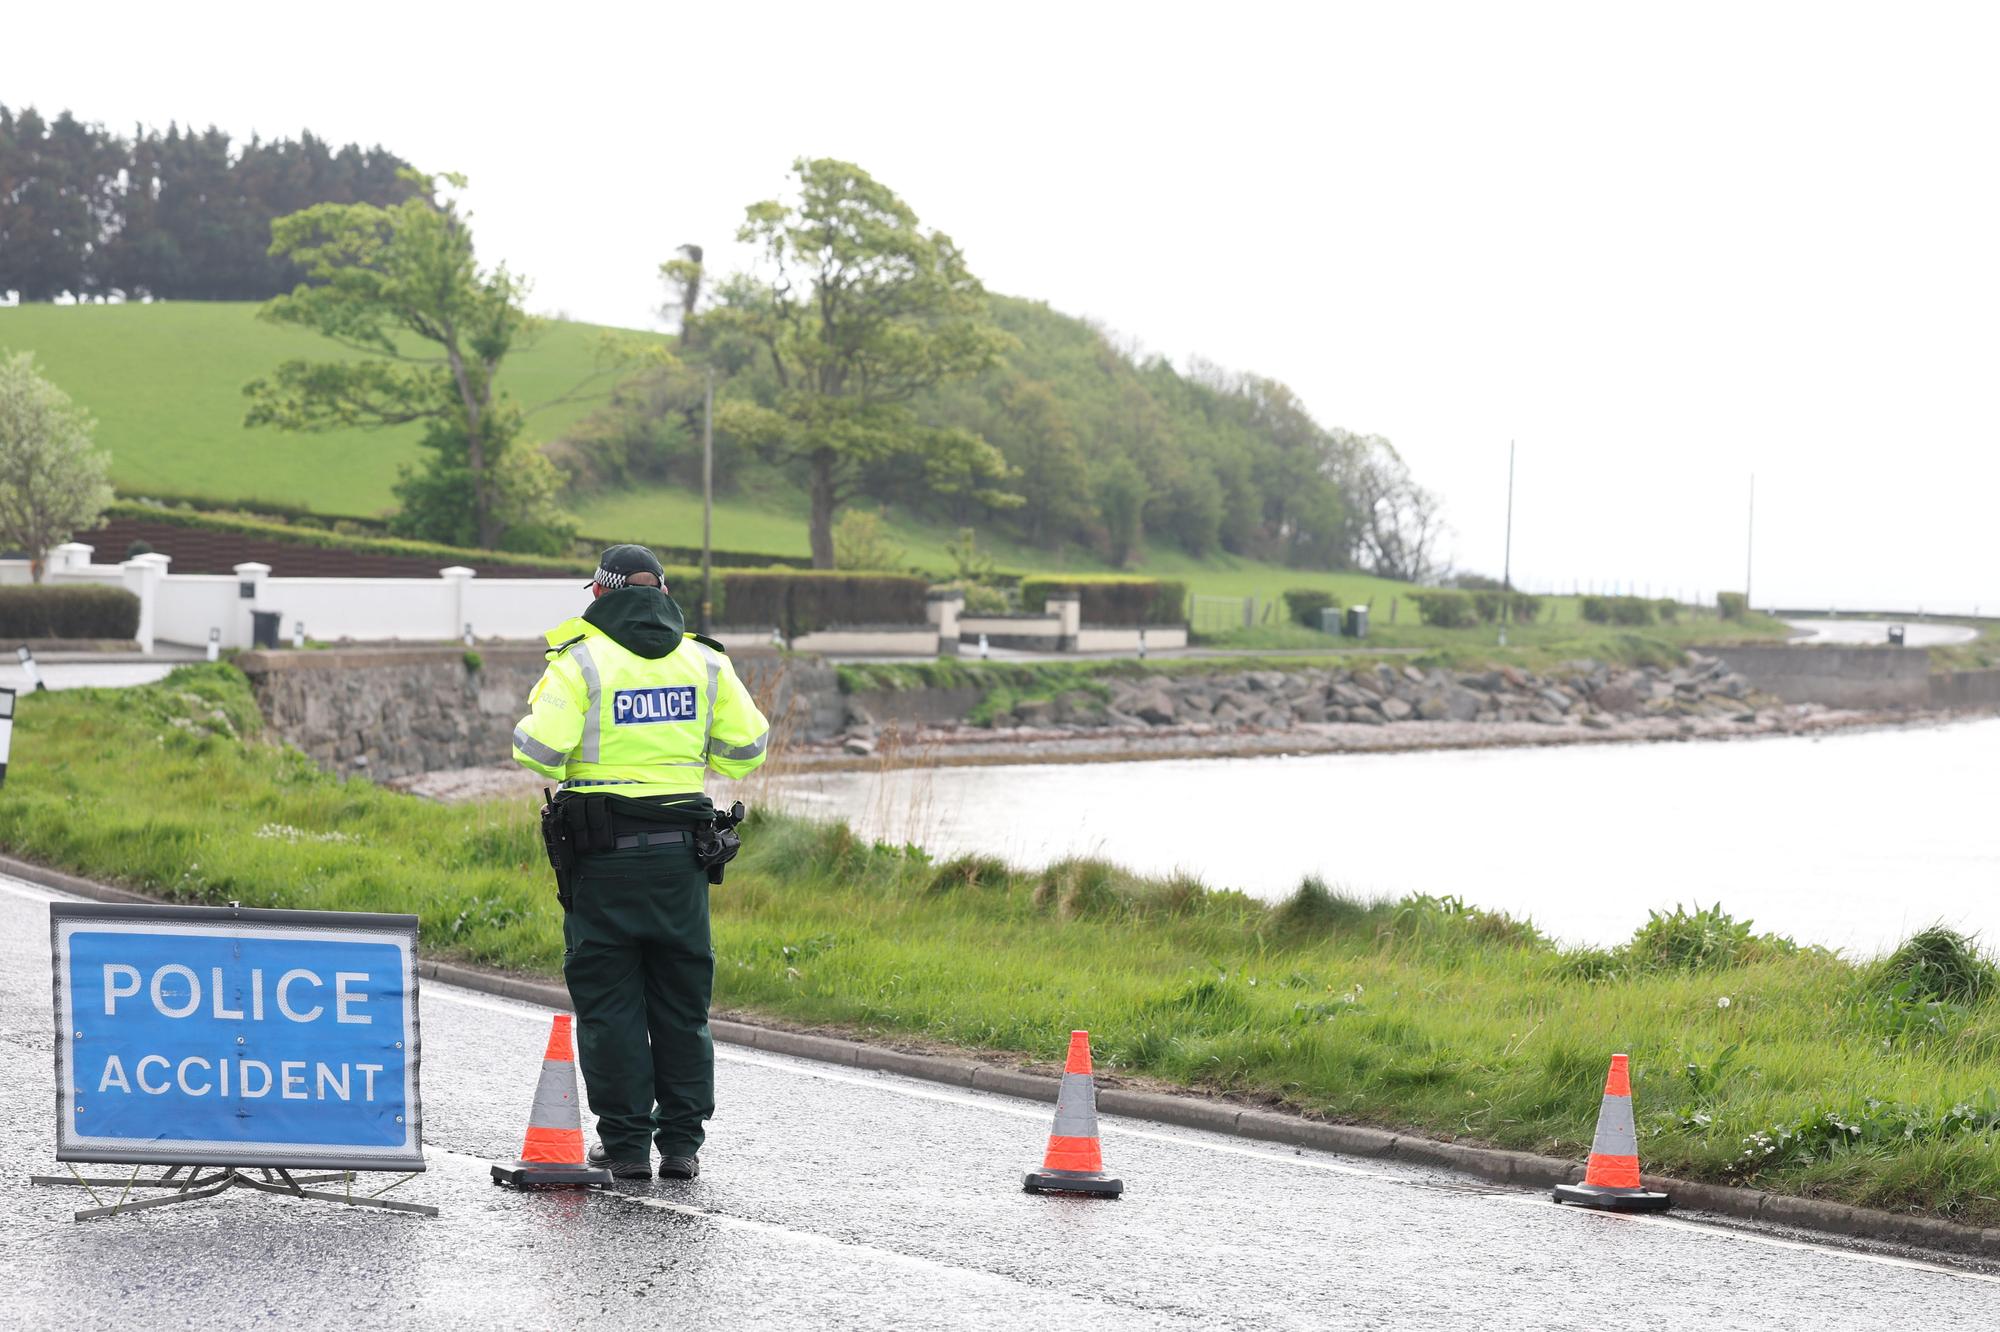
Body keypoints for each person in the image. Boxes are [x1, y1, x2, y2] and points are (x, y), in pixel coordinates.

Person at [511, 544, 770, 1180]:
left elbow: (540, 751)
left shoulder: (580, 659)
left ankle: (625, 1146)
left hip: (601, 861)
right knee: (682, 1003)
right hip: (684, 862)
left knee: (610, 1004)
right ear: (660, 593)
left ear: (600, 594)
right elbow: (747, 750)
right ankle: (681, 1146)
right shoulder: (705, 659)